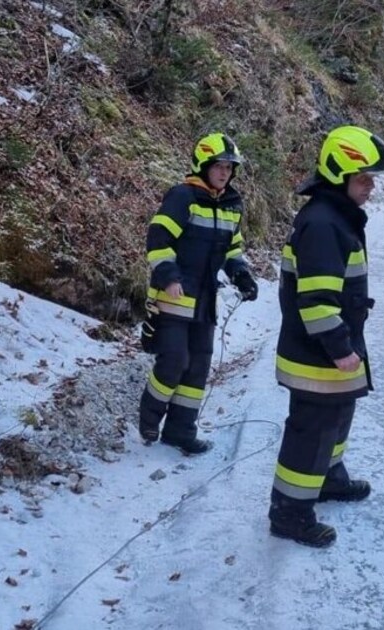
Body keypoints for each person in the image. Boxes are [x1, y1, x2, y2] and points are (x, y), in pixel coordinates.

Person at [269, 125, 384, 548]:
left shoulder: (336, 216)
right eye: (364, 179)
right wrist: (340, 347)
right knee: (312, 431)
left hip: (330, 350)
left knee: (338, 417)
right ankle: (290, 511)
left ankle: (328, 478)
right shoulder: (323, 224)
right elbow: (317, 301)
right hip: (316, 354)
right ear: (340, 175)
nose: (371, 186)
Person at [139, 132, 258, 455]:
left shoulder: (232, 205)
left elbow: (233, 249)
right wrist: (168, 277)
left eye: (229, 168)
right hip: (175, 294)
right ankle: (149, 417)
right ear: (203, 166)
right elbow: (159, 239)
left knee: (198, 367)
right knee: (174, 360)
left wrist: (242, 275)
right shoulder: (183, 197)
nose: (225, 173)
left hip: (205, 299)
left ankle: (180, 432)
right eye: (219, 166)